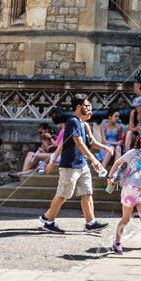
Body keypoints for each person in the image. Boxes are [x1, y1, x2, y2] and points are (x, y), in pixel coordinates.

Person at [39, 95, 108, 235]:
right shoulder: (73, 122)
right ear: (78, 107)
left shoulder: (84, 124)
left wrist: (106, 148)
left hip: (82, 165)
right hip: (70, 165)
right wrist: (94, 160)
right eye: (87, 107)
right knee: (63, 194)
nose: (90, 110)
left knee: (87, 192)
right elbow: (79, 143)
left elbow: (92, 142)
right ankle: (49, 221)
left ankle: (90, 223)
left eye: (90, 107)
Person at [109, 131, 141, 257]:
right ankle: (117, 243)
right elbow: (118, 162)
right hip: (129, 191)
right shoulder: (133, 153)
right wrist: (110, 176)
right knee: (126, 219)